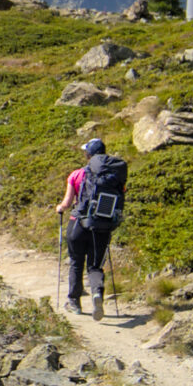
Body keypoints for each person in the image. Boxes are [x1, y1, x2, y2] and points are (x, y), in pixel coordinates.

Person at [53, 136, 127, 317]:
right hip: (101, 224)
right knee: (95, 266)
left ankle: (74, 302)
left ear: (89, 154)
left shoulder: (77, 174)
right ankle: (96, 294)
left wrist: (60, 208)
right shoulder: (115, 176)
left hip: (78, 223)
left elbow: (67, 202)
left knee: (76, 263)